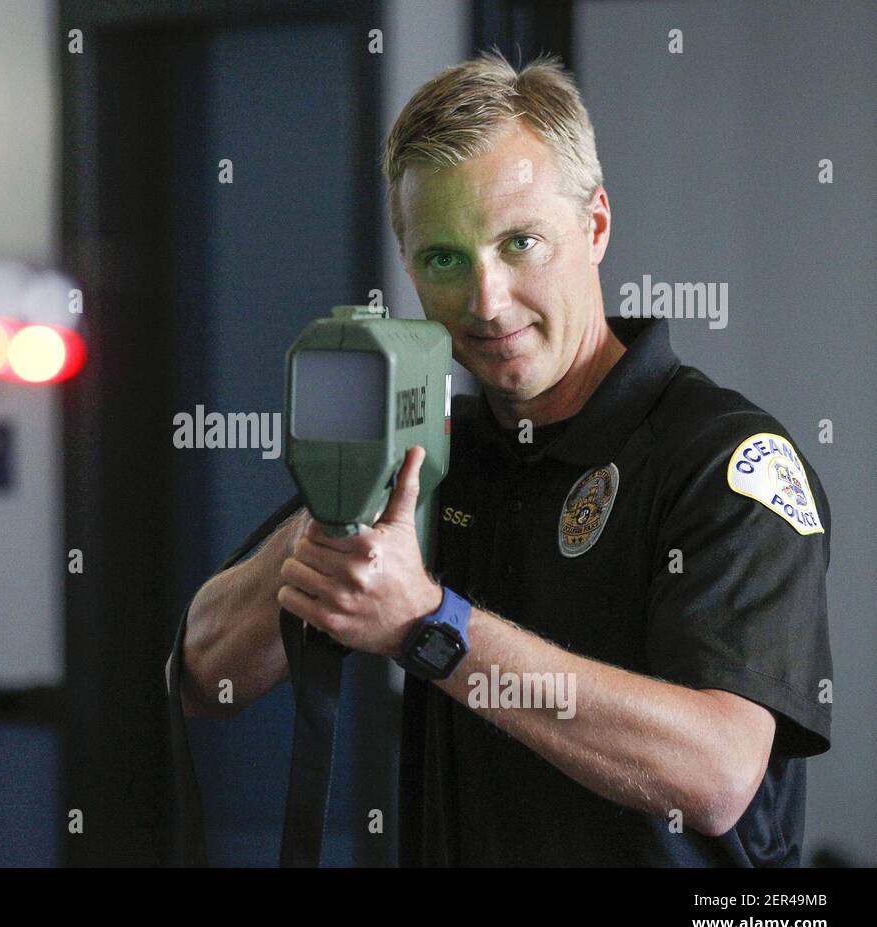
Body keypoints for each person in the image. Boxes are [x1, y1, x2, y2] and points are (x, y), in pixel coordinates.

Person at [173, 52, 831, 866]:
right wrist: (347, 497)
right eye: (445, 258)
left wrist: (428, 624)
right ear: (408, 264)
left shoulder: (723, 456)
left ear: (594, 226)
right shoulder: (436, 450)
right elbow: (203, 674)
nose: (485, 301)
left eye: (520, 243)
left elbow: (717, 772)